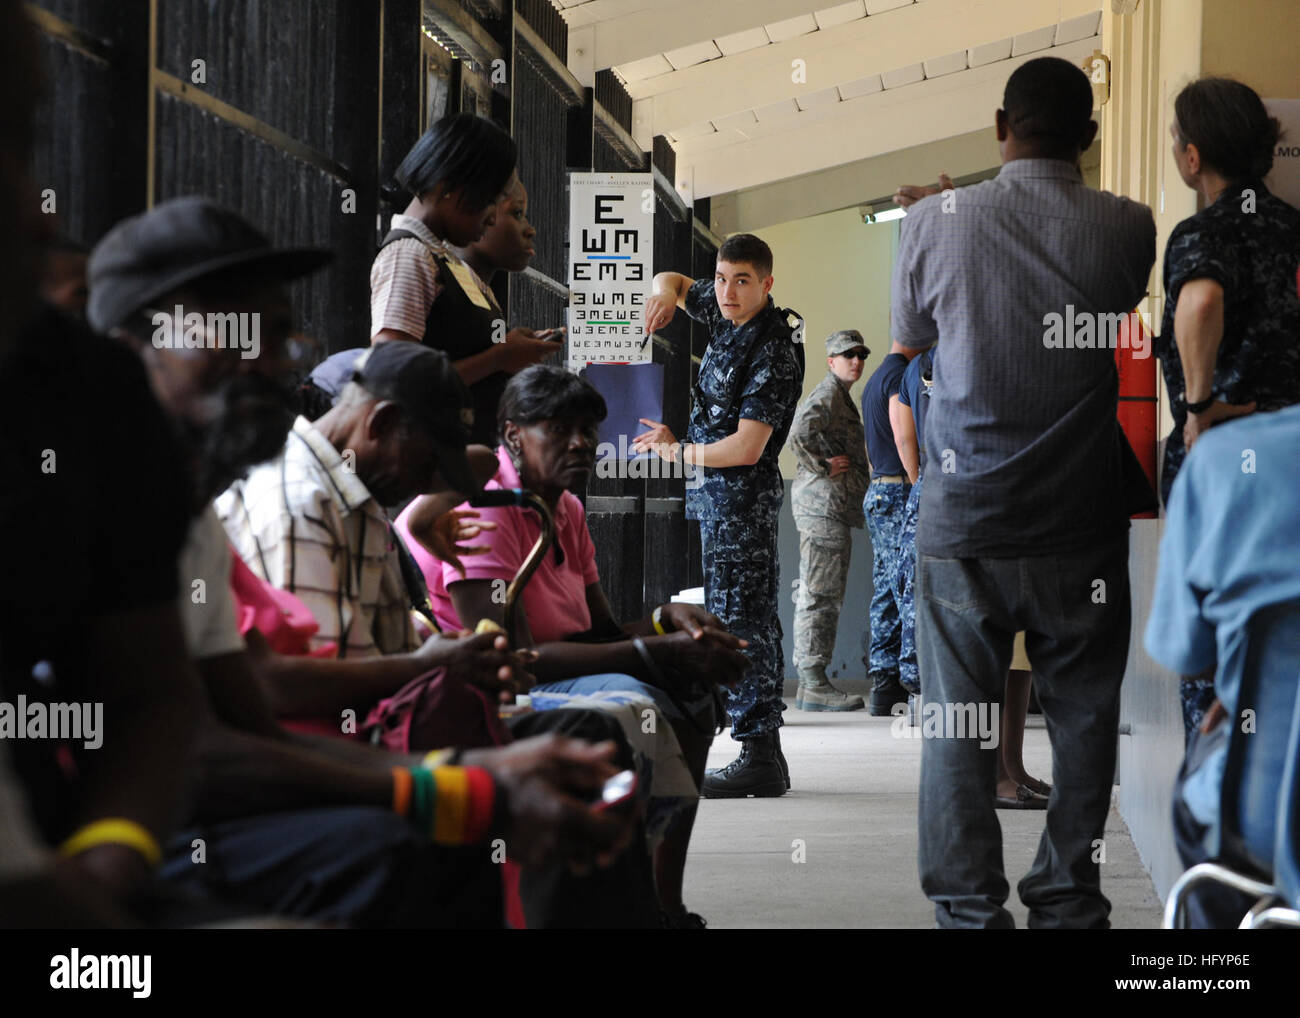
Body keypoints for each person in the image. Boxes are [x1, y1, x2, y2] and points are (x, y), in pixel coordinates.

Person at [86, 196, 635, 926]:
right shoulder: (109, 496)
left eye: (280, 338)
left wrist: (467, 780)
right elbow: (223, 742)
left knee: (455, 825)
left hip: (163, 820)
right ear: (132, 344)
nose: (271, 363)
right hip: (130, 839)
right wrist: (452, 773)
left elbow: (239, 725)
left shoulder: (182, 507)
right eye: (234, 332)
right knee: (397, 850)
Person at [893, 56, 1155, 928]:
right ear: (1089, 136)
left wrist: (948, 215)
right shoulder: (1128, 227)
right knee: (1080, 725)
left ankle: (969, 912)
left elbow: (918, 339)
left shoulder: (930, 221)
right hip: (1079, 519)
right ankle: (1068, 899)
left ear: (1000, 124)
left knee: (958, 733)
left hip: (963, 519)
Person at [405, 365, 752, 927]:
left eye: (588, 430)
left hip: (560, 666)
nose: (580, 443)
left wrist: (668, 624)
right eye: (559, 429)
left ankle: (666, 903)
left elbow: (603, 633)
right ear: (513, 434)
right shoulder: (485, 512)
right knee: (629, 700)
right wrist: (655, 653)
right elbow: (514, 659)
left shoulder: (564, 509)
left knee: (695, 693)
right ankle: (617, 900)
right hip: (495, 684)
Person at [1155, 77, 1300, 738]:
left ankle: (1221, 822)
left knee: (1214, 668)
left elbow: (1202, 302)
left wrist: (1199, 404)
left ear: (1192, 158)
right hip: (1291, 461)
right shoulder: (1292, 228)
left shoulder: (1204, 231)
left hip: (1228, 471)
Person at [635, 233, 804, 798]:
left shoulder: (772, 349)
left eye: (743, 281)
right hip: (718, 500)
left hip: (743, 502)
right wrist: (662, 294)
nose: (727, 292)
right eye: (723, 277)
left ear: (768, 285)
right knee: (741, 614)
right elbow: (677, 283)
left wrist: (677, 450)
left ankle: (760, 755)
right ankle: (761, 751)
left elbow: (747, 448)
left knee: (743, 620)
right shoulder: (723, 307)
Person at [371, 117, 557, 444]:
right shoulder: (409, 256)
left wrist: (508, 350)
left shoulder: (440, 259)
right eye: (488, 199)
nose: (490, 214)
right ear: (448, 187)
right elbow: (392, 378)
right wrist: (498, 357)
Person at [787, 330, 870, 711]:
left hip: (828, 510)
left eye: (860, 355)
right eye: (847, 355)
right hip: (822, 509)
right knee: (820, 595)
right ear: (831, 361)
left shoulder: (839, 396)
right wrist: (822, 464)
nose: (856, 361)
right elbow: (800, 431)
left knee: (823, 593)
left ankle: (811, 684)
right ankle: (814, 681)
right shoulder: (828, 393)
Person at [860, 339, 924, 715]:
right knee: (907, 586)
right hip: (899, 491)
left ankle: (885, 683)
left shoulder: (876, 377)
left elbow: (872, 447)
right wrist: (919, 487)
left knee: (887, 585)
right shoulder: (900, 376)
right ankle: (911, 682)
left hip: (880, 489)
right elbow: (903, 435)